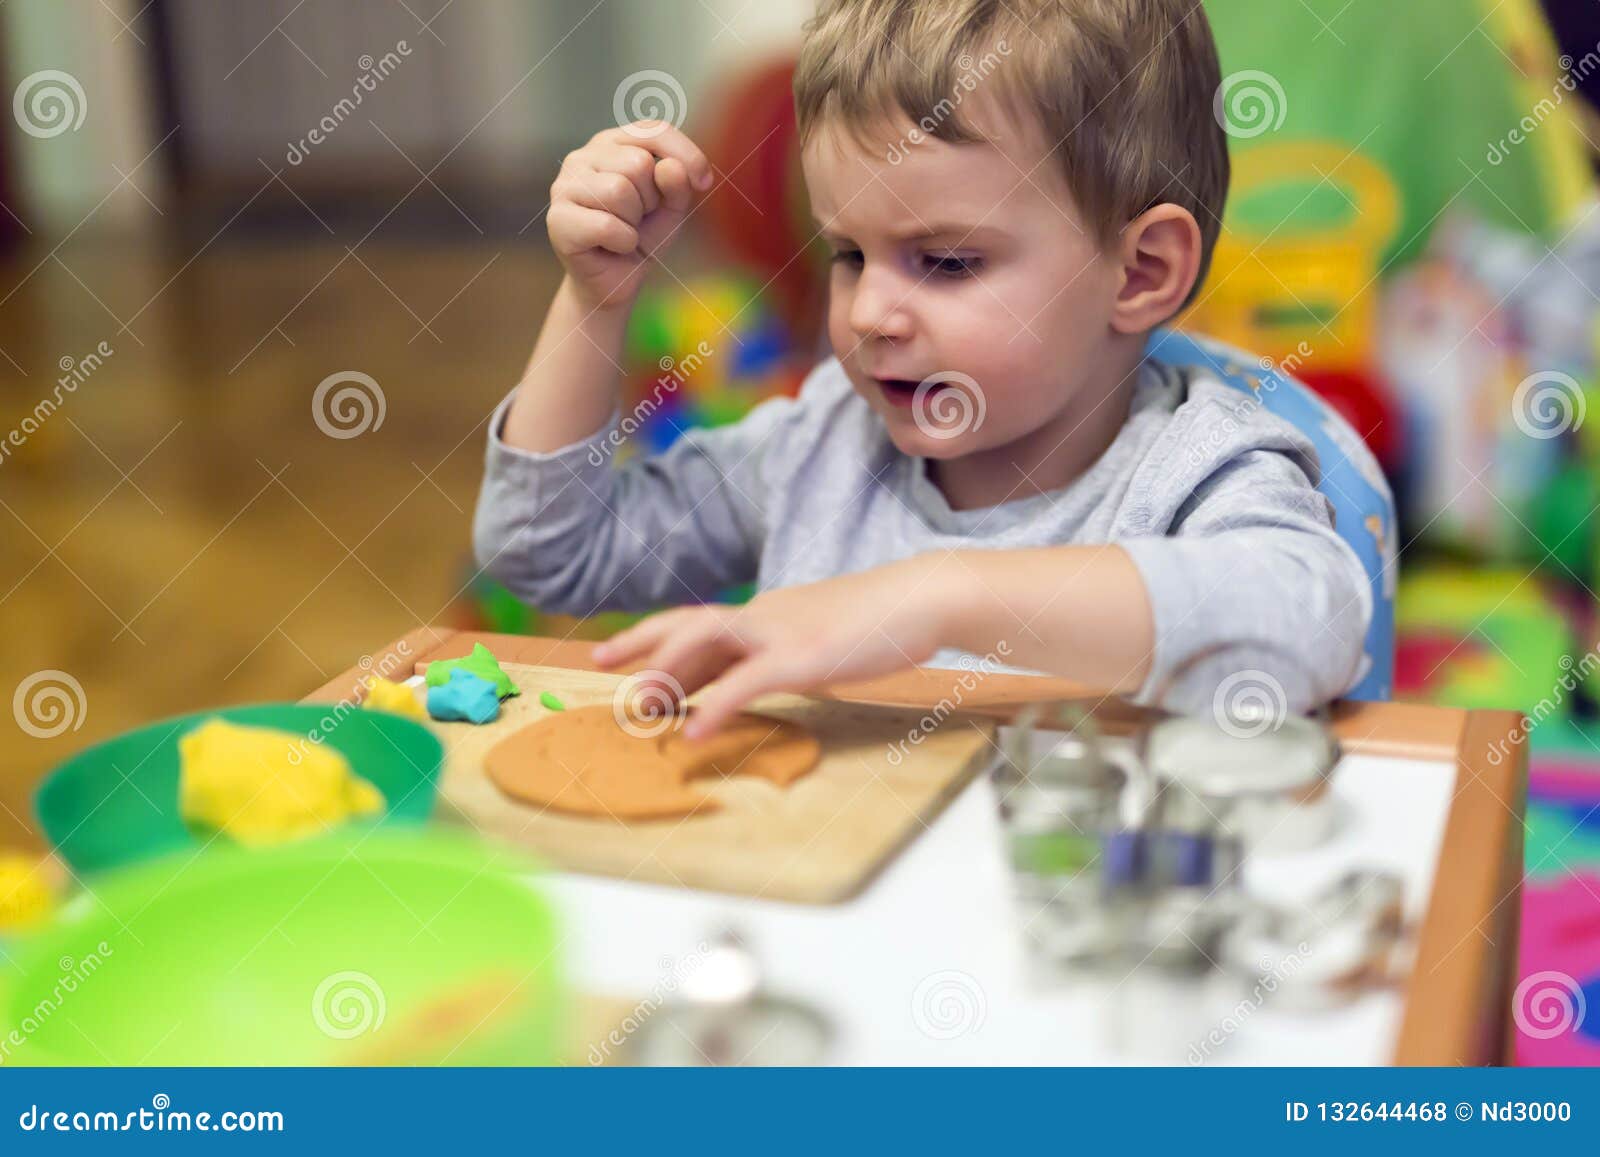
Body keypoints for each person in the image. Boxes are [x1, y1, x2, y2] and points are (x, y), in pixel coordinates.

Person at [473, 0, 1370, 738]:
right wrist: (596, 303)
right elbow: (549, 555)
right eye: (849, 254)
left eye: (945, 262)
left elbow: (1314, 618)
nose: (867, 314)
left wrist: (938, 596)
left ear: (1139, 271)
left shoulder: (1198, 468)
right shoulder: (825, 442)